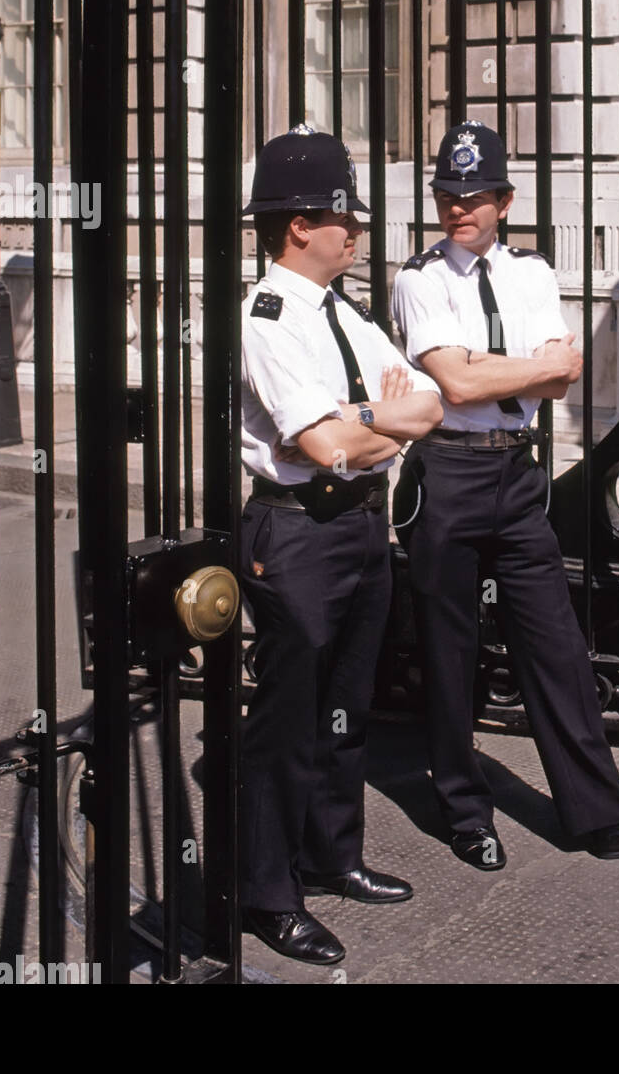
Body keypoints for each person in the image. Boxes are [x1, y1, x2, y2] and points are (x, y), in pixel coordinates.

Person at [390, 121, 619, 870]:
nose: (457, 209)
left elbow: (562, 372)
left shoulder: (533, 273)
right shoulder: (419, 278)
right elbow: (459, 384)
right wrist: (510, 368)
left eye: (472, 197)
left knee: (558, 648)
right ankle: (465, 810)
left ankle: (604, 814)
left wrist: (486, 365)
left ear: (504, 200)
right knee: (450, 651)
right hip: (450, 474)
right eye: (446, 196)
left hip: (514, 474)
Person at [238, 125, 442, 966]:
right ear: (298, 225)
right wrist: (368, 423)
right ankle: (267, 892)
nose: (354, 231)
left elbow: (426, 406)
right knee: (288, 718)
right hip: (297, 529)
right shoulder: (268, 317)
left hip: (360, 522)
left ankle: (334, 855)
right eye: (340, 216)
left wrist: (356, 422)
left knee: (346, 707)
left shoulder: (348, 316)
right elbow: (319, 448)